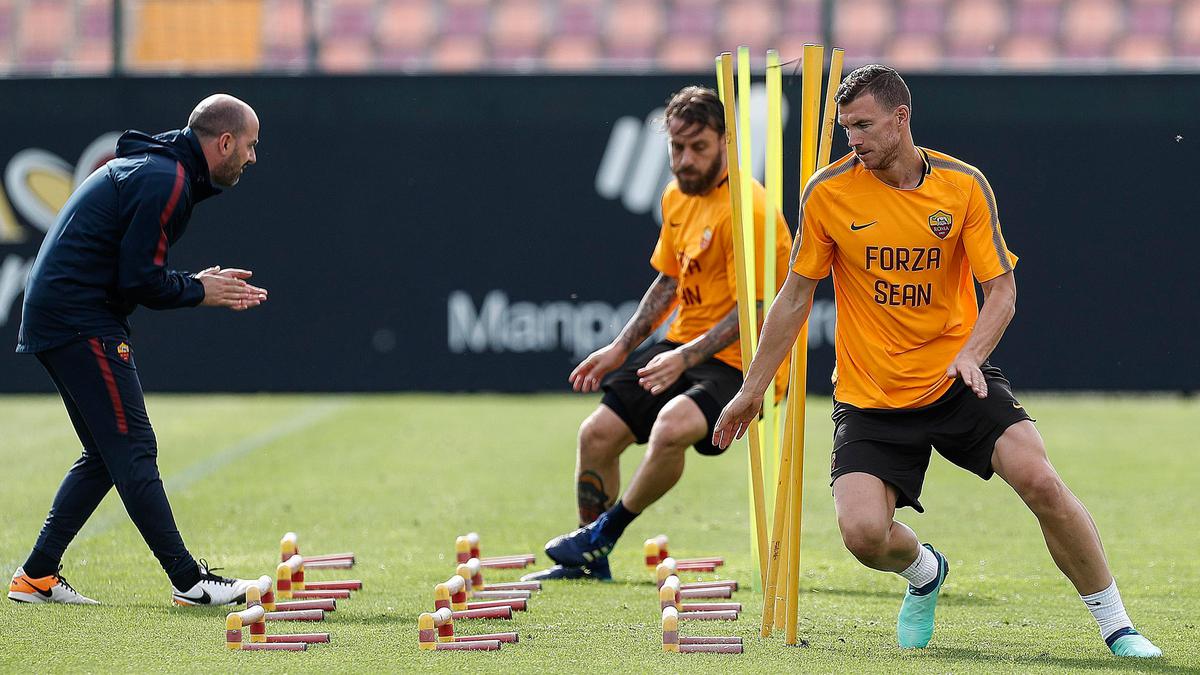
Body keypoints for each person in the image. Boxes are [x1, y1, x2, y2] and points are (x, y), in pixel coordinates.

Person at [712, 65, 1161, 658]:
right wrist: (750, 390)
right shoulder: (828, 192)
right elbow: (795, 297)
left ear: (901, 118)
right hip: (870, 395)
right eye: (846, 128)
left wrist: (971, 354)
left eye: (864, 126)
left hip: (956, 380)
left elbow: (1001, 291)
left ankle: (1118, 626)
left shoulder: (963, 185)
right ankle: (925, 571)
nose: (853, 140)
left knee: (1041, 481)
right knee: (863, 536)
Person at [8, 94, 271, 606]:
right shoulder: (166, 179)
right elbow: (141, 280)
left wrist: (194, 284)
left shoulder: (165, 171)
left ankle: (36, 576)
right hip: (78, 317)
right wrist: (198, 289)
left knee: (106, 454)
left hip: (63, 312)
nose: (253, 157)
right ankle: (189, 581)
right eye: (250, 145)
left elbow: (135, 274)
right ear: (224, 142)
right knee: (132, 448)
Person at [526, 86, 791, 581]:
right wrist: (620, 347)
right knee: (596, 434)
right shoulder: (676, 196)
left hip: (747, 361)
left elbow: (756, 310)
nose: (685, 160)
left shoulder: (749, 210)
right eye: (677, 147)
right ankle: (589, 562)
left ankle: (603, 533)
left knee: (670, 427)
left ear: (726, 142)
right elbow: (669, 281)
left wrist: (685, 358)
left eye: (698, 148)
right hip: (683, 347)